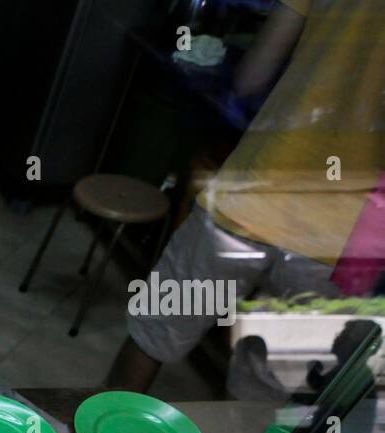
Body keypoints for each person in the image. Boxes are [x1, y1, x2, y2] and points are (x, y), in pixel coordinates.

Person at [109, 0, 385, 394]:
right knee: (266, 385)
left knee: (157, 332)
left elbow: (251, 78)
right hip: (340, 239)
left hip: (254, 192)